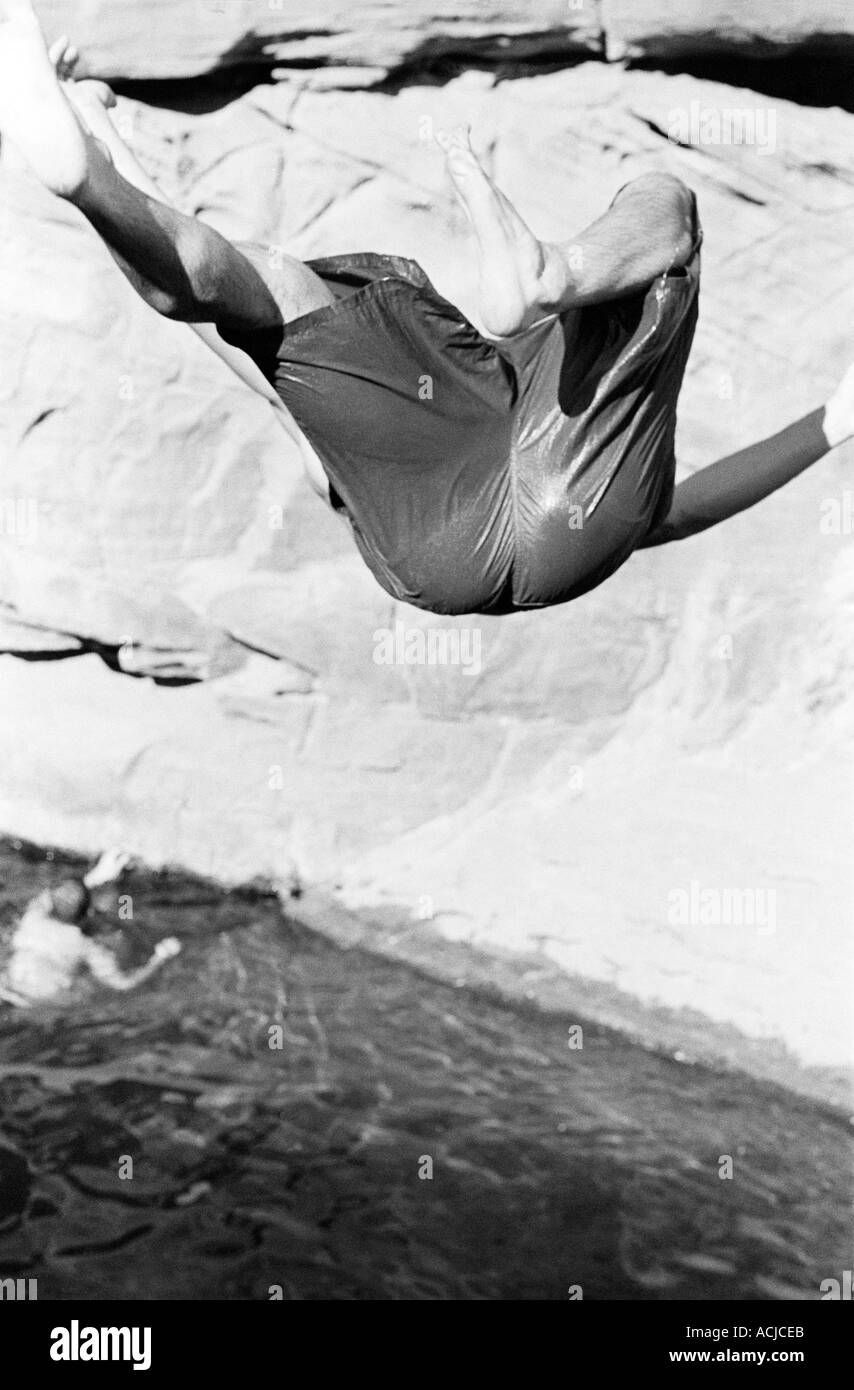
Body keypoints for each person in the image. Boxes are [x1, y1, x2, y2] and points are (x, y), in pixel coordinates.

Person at [1, 0, 852, 618]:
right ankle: (555, 272)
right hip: (569, 530)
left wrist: (107, 151)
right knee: (667, 202)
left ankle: (88, 183)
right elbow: (680, 515)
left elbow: (210, 303)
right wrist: (837, 423)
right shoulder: (371, 447)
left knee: (265, 292)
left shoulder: (360, 456)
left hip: (437, 558)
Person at [0, 849, 181, 1006]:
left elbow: (47, 898)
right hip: (45, 999)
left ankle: (119, 893)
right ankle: (122, 895)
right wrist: (160, 956)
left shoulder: (32, 918)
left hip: (11, 984)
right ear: (86, 915)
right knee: (119, 934)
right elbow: (122, 983)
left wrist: (96, 876)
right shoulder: (85, 945)